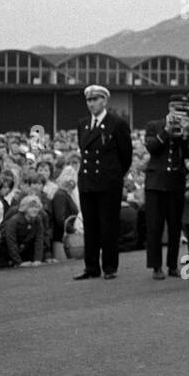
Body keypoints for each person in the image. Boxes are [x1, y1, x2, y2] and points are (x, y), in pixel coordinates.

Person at [73, 85, 133, 281]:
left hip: (108, 183)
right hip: (88, 181)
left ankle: (109, 266)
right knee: (90, 226)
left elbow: (126, 157)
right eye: (89, 100)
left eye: (95, 99)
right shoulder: (83, 124)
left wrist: (114, 176)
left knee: (108, 226)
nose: (91, 104)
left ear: (104, 101)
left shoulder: (117, 124)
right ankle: (91, 267)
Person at [142, 96, 189, 279]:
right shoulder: (154, 125)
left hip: (175, 182)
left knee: (175, 226)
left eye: (182, 111)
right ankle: (156, 266)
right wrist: (166, 131)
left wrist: (186, 136)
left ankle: (173, 265)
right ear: (170, 108)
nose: (179, 115)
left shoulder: (187, 128)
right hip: (156, 183)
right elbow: (152, 147)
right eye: (177, 110)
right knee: (155, 227)